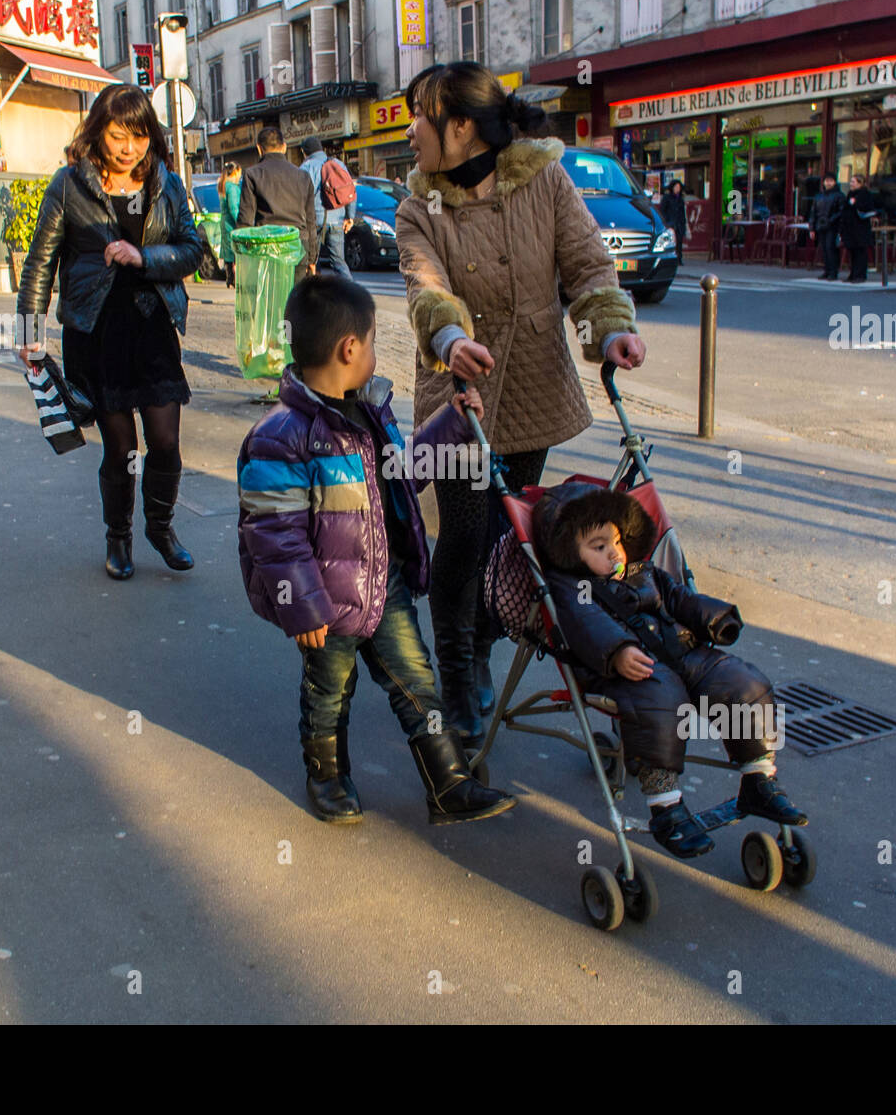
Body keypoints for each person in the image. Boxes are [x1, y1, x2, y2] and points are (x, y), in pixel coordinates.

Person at [395, 60, 646, 750]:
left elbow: (588, 267)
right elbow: (425, 289)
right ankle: (458, 671)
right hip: (459, 392)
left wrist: (611, 330)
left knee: (511, 535)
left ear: (463, 126)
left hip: (531, 378)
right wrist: (450, 338)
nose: (410, 127)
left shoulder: (543, 179)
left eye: (421, 114)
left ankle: (480, 646)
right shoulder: (419, 205)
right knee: (467, 535)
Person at [236, 276, 517, 826]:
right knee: (329, 693)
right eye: (371, 341)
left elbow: (400, 477)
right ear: (349, 349)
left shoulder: (369, 412)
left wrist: (451, 425)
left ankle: (450, 785)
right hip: (324, 602)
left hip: (383, 584)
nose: (373, 352)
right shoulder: (281, 436)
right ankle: (328, 776)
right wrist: (302, 607)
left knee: (418, 685)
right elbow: (274, 534)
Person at [533, 482, 808, 858]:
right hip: (629, 669)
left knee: (744, 684)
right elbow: (585, 623)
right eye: (598, 547)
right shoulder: (573, 588)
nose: (613, 553)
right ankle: (666, 806)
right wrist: (618, 650)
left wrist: (715, 617)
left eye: (615, 541)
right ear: (570, 553)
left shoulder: (644, 572)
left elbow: (680, 598)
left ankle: (758, 777)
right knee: (661, 703)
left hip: (682, 653)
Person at [16, 84, 204, 581]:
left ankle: (160, 528)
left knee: (164, 439)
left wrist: (143, 257)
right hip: (95, 331)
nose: (129, 148)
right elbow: (41, 262)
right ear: (98, 131)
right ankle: (117, 535)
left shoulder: (166, 182)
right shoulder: (68, 185)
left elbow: (192, 250)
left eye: (140, 136)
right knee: (120, 447)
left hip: (151, 325)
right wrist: (30, 329)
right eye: (120, 135)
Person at [237, 126, 318, 282]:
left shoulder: (252, 174)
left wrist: (240, 257)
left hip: (266, 247)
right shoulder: (303, 176)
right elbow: (310, 221)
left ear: (259, 149)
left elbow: (245, 221)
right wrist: (312, 258)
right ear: (284, 147)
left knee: (269, 302)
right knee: (294, 303)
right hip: (298, 246)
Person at [298, 136, 357, 278]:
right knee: (339, 262)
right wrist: (350, 217)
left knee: (312, 262)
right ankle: (351, 296)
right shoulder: (338, 164)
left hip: (313, 221)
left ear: (304, 152)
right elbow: (350, 191)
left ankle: (315, 295)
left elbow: (301, 197)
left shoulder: (306, 167)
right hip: (337, 219)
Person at [809, 172, 847, 281]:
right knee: (824, 249)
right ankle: (826, 270)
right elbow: (813, 212)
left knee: (831, 249)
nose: (828, 183)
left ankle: (833, 272)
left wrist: (831, 220)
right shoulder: (818, 196)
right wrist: (812, 227)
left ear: (835, 182)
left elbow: (841, 211)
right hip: (820, 226)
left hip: (833, 226)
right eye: (826, 181)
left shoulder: (839, 195)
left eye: (831, 181)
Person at [842, 173, 878, 283]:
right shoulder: (850, 194)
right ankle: (853, 274)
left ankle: (860, 275)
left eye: (853, 182)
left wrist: (855, 203)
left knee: (860, 252)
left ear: (860, 183)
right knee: (852, 252)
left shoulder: (865, 194)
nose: (851, 184)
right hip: (850, 227)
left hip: (860, 227)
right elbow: (846, 208)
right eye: (851, 181)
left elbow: (867, 208)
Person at [215, 160, 243, 288]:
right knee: (235, 250)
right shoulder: (232, 187)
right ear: (236, 172)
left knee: (227, 251)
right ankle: (234, 279)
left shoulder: (223, 185)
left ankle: (229, 278)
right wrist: (241, 222)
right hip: (232, 224)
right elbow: (234, 208)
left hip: (225, 222)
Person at [660, 178, 688, 261]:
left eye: (679, 187)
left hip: (679, 224)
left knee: (679, 242)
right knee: (670, 241)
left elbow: (683, 213)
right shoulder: (667, 198)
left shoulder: (680, 199)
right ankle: (670, 258)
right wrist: (667, 221)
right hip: (670, 223)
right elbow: (663, 211)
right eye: (676, 187)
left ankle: (679, 258)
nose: (677, 189)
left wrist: (683, 224)